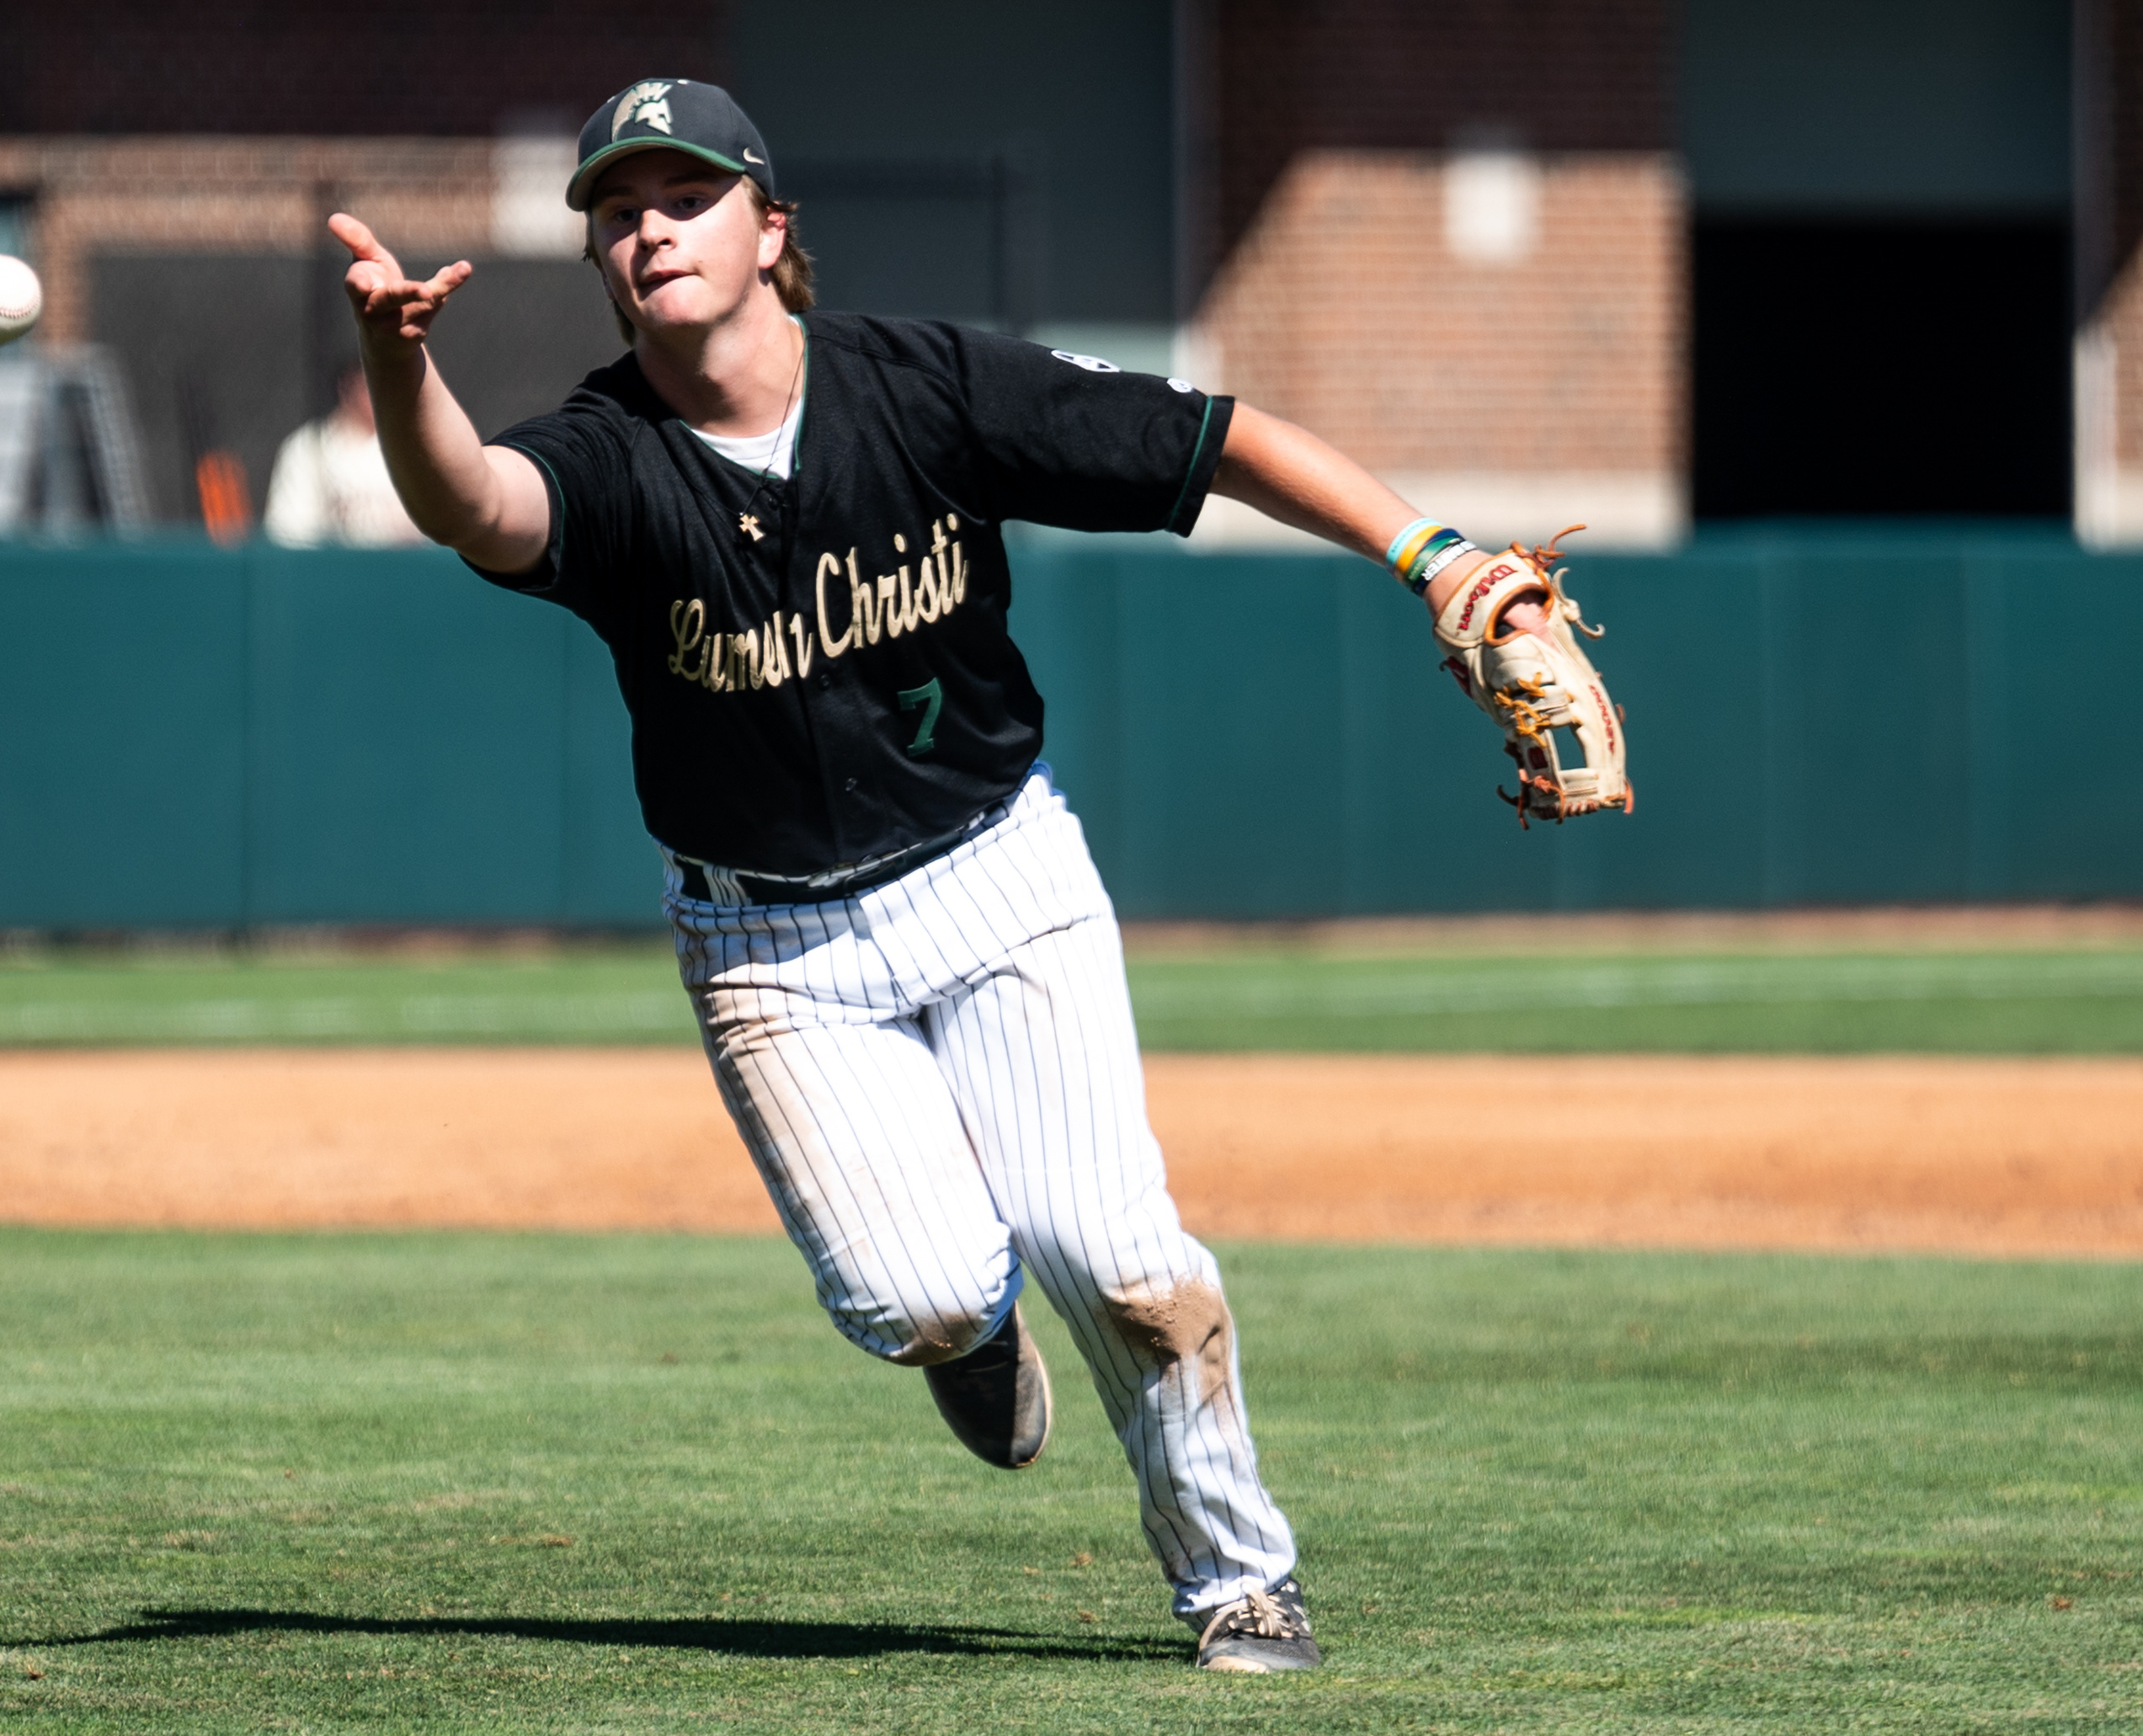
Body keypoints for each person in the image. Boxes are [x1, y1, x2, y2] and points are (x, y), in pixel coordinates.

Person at [330, 77, 1562, 1675]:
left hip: (997, 873)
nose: (649, 225)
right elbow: (479, 506)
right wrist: (395, 360)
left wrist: (1436, 556)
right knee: (914, 1296)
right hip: (771, 943)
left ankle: (1238, 1581)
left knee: (1118, 1258)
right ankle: (967, 1342)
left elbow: (1214, 442)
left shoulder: (926, 387)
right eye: (618, 209)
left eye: (685, 194)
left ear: (772, 230)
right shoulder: (614, 453)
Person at [264, 362, 427, 547]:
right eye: (372, 385)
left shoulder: (412, 447)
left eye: (391, 385)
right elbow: (288, 532)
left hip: (403, 569)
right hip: (331, 569)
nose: (384, 394)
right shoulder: (308, 447)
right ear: (346, 387)